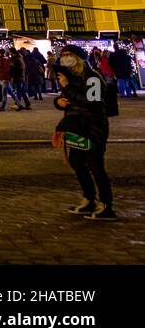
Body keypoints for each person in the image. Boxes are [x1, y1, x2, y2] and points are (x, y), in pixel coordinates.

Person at [54, 45, 115, 220]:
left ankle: (106, 205)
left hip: (93, 127)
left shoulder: (93, 77)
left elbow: (93, 102)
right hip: (76, 126)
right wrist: (59, 102)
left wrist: (67, 88)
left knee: (96, 166)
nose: (65, 58)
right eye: (63, 55)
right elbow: (67, 100)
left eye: (69, 55)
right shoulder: (71, 77)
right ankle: (89, 199)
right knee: (76, 161)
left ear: (79, 57)